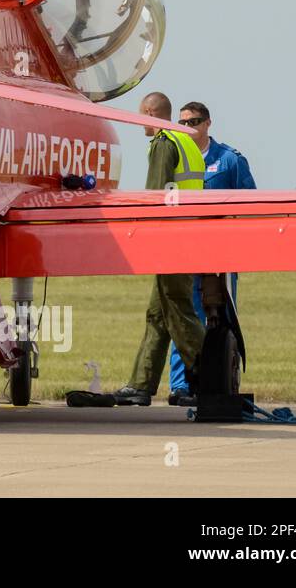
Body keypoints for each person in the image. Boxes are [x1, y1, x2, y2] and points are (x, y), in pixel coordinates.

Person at [114, 91, 207, 406]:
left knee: (178, 309)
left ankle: (211, 379)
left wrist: (145, 239)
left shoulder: (164, 143)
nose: (139, 122)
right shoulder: (186, 142)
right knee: (158, 314)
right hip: (188, 236)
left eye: (141, 115)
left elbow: (156, 197)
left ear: (151, 113)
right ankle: (141, 385)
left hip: (170, 240)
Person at [167, 101, 255, 406]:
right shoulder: (174, 158)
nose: (188, 128)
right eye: (182, 122)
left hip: (221, 256)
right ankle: (181, 385)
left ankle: (218, 382)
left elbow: (250, 205)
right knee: (185, 315)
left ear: (208, 124)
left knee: (222, 316)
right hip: (185, 252)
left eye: (194, 122)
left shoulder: (230, 160)